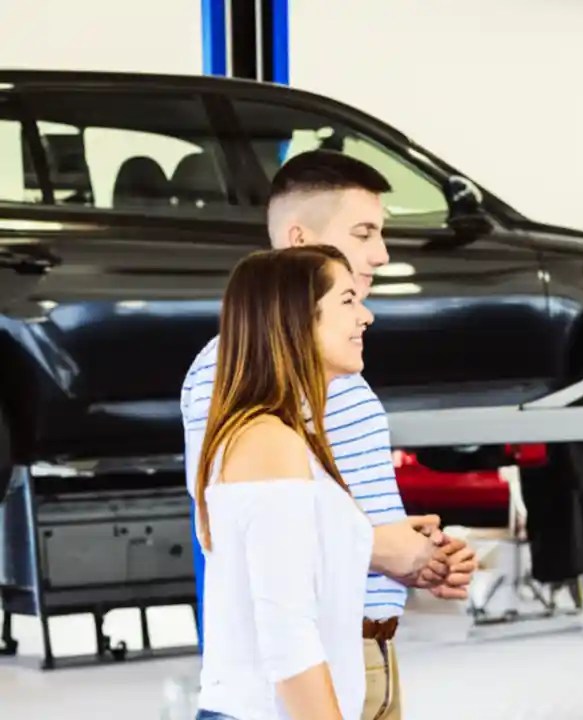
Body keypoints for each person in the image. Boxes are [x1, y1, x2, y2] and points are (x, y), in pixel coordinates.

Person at [182, 150, 476, 720]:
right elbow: (245, 546)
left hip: (363, 650)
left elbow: (317, 517)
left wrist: (417, 553)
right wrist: (387, 548)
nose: (381, 255)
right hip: (307, 673)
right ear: (299, 241)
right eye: (362, 233)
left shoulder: (340, 376)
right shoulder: (239, 383)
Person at [194, 245, 416, 719]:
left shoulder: (281, 435)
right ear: (297, 318)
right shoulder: (267, 443)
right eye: (348, 301)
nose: (367, 317)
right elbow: (286, 631)